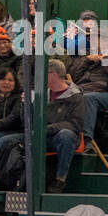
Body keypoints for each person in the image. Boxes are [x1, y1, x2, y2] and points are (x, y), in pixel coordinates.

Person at [37, 60, 86, 194]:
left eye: (44, 73)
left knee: (66, 135)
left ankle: (60, 179)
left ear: (53, 74)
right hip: (41, 135)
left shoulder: (75, 96)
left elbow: (76, 124)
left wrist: (49, 129)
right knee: (3, 141)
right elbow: (26, 122)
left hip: (61, 137)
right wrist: (25, 105)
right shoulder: (40, 94)